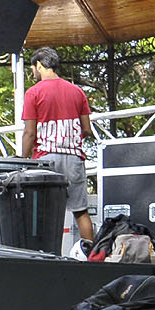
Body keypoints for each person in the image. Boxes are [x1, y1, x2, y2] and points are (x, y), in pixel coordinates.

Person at [20, 47, 96, 246]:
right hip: (73, 158)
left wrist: (21, 159)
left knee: (43, 213)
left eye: (33, 68)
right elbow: (87, 129)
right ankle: (92, 257)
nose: (33, 73)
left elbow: (30, 132)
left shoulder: (33, 93)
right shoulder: (77, 91)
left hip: (45, 161)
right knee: (81, 212)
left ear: (39, 64)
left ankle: (46, 256)